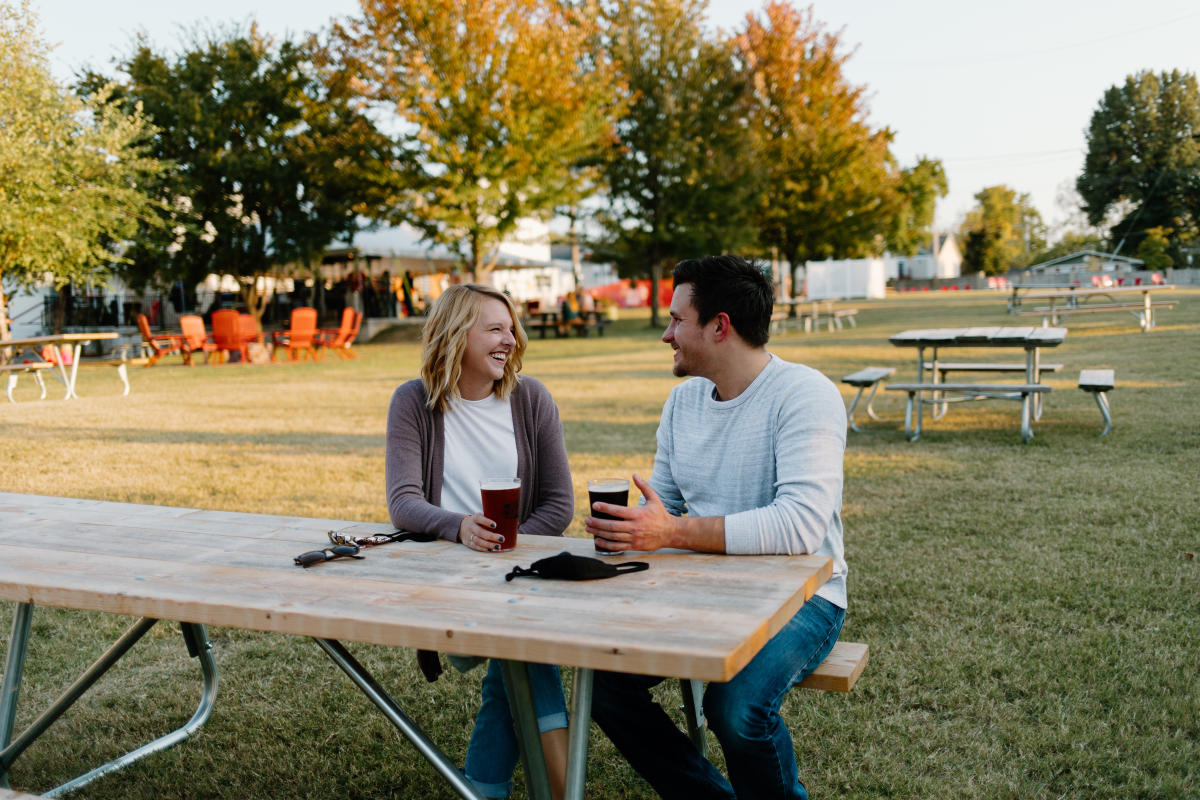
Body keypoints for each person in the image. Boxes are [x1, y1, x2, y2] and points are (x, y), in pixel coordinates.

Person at [585, 255, 847, 800]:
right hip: (702, 592)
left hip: (806, 599)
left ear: (719, 326)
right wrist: (635, 527)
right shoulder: (682, 403)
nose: (666, 334)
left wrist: (672, 532)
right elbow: (668, 505)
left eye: (678, 319)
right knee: (604, 686)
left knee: (735, 707)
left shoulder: (805, 394)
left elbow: (799, 526)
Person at [385, 283, 574, 800]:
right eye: (495, 328)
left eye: (511, 328)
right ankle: (563, 791)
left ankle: (485, 789)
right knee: (527, 647)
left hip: (515, 579)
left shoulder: (530, 399)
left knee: (519, 657)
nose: (510, 339)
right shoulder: (414, 402)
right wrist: (461, 528)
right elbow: (403, 502)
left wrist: (506, 548)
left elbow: (559, 506)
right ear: (455, 335)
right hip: (449, 583)